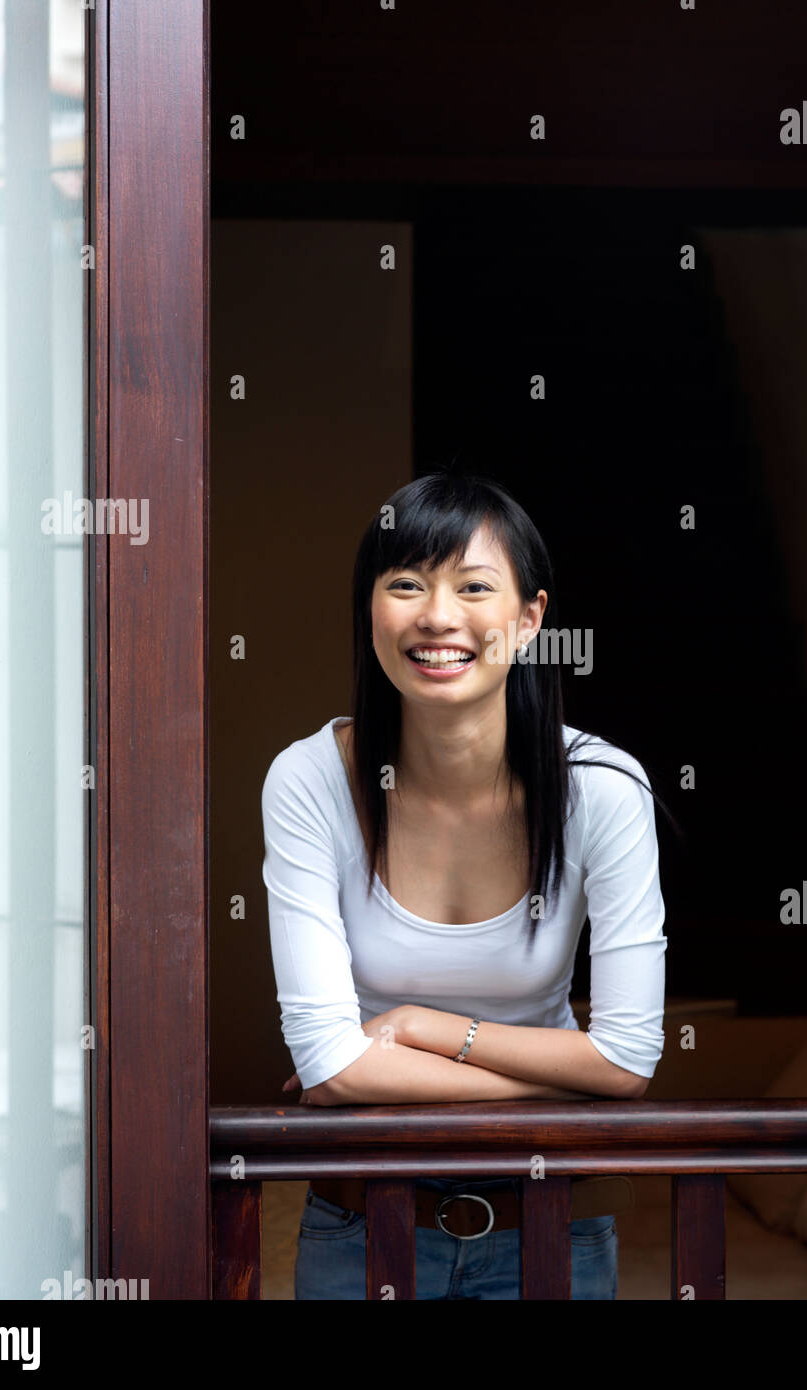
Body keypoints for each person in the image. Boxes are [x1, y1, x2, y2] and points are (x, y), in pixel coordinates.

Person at [262, 470, 675, 1299]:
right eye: (406, 583)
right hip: (360, 1225)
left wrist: (421, 1028)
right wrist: (573, 1071)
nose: (438, 616)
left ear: (529, 620)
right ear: (370, 612)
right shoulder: (309, 781)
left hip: (553, 1219)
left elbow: (630, 1057)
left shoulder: (602, 788)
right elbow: (330, 1066)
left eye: (474, 587)